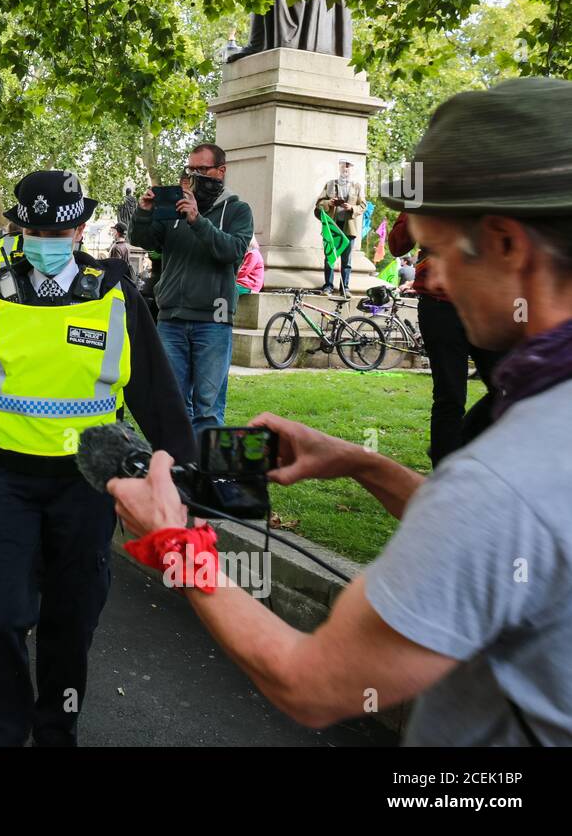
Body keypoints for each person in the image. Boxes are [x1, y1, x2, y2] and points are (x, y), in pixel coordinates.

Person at [108, 77, 572, 746]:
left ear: (506, 244)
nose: (424, 280)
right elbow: (504, 551)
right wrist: (364, 464)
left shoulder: (505, 477)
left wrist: (173, 543)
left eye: (437, 251)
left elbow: (311, 683)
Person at [0, 170, 197, 746]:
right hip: (5, 481)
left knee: (71, 624)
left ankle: (55, 731)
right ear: (19, 229)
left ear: (79, 229)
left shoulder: (114, 293)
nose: (46, 238)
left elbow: (156, 394)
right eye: (35, 228)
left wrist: (182, 476)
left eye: (58, 229)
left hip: (86, 486)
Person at [130, 143, 254, 435]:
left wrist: (197, 220)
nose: (195, 175)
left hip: (213, 322)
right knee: (173, 402)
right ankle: (178, 470)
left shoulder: (237, 210)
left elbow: (232, 252)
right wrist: (145, 212)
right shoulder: (175, 207)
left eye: (202, 170)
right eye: (191, 169)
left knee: (207, 408)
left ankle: (205, 475)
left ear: (220, 172)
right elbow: (146, 240)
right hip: (171, 319)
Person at [389, 210, 502, 465]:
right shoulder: (423, 193)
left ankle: (454, 445)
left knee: (508, 386)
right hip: (439, 306)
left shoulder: (492, 188)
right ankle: (445, 470)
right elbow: (397, 247)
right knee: (450, 395)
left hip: (487, 305)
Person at [314, 160, 365, 294]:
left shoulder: (357, 186)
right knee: (330, 256)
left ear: (351, 170)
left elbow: (362, 206)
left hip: (349, 228)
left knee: (346, 260)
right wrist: (329, 202)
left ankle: (345, 287)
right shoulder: (330, 184)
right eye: (343, 167)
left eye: (348, 168)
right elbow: (319, 203)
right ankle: (328, 286)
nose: (345, 170)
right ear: (339, 168)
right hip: (333, 227)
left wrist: (352, 208)